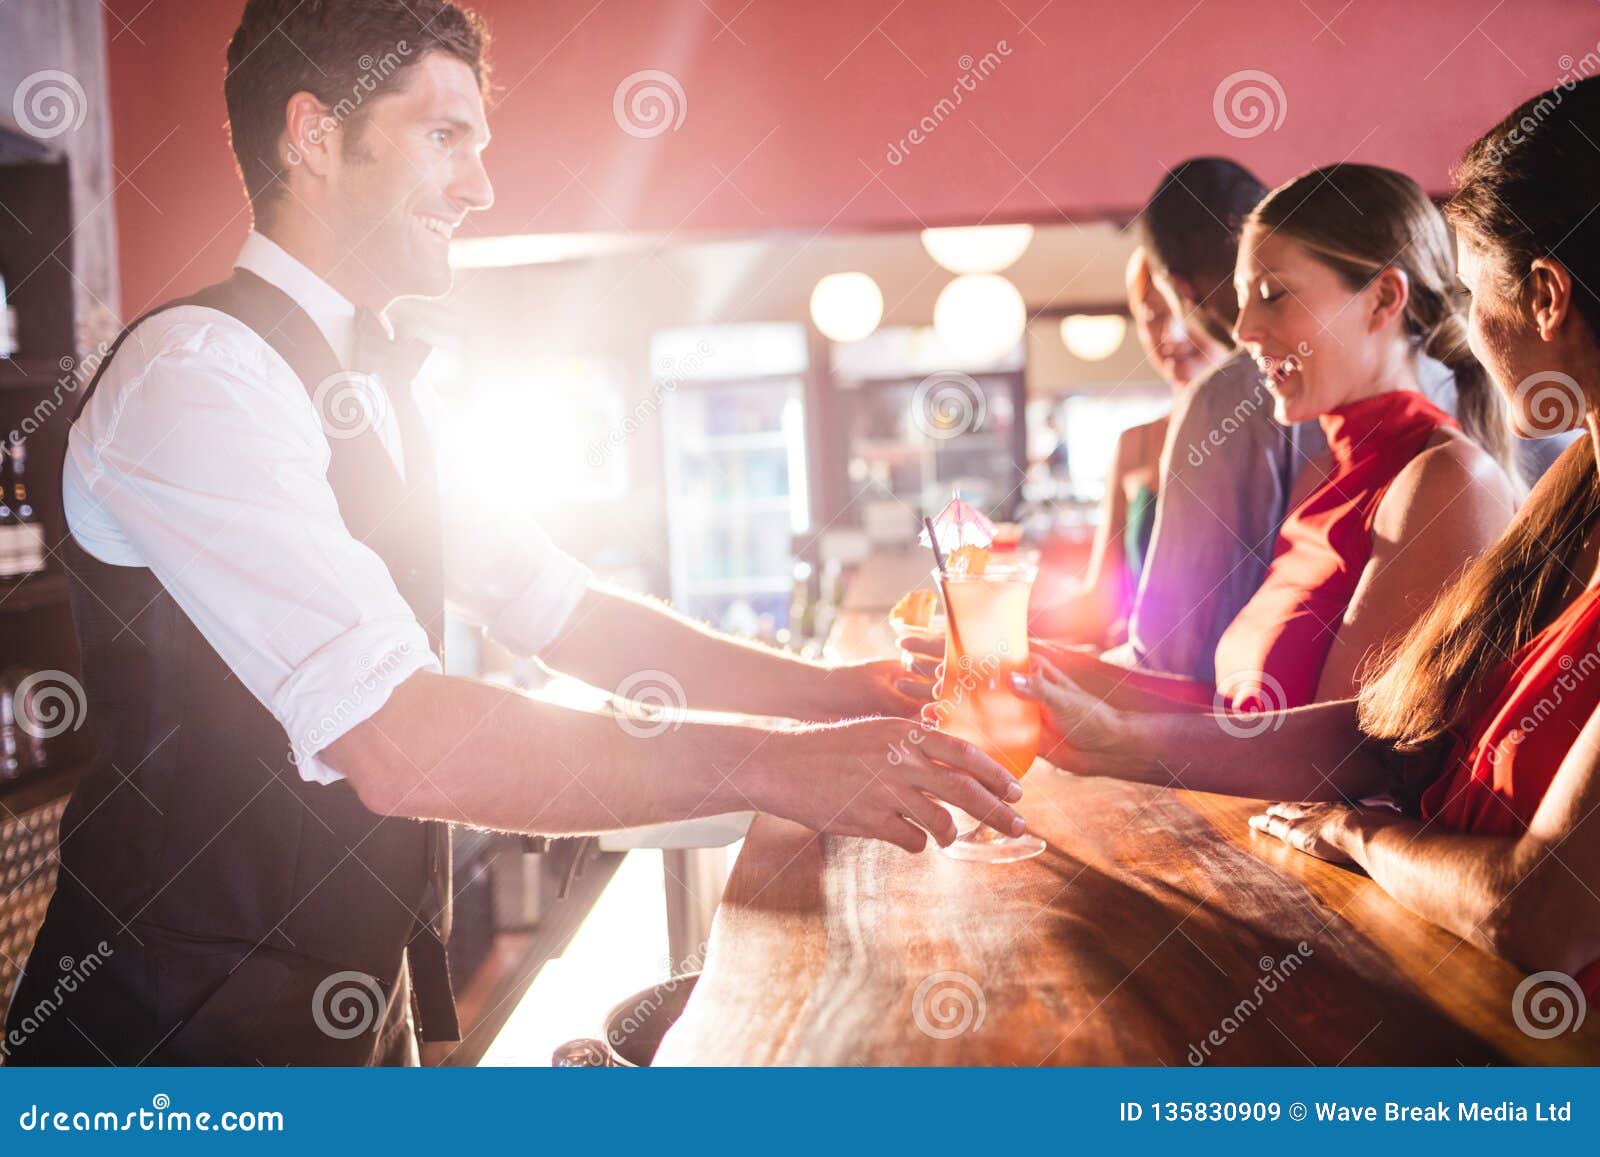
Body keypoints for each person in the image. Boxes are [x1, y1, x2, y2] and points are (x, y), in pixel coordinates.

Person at [2, 0, 1026, 1067]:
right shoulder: (198, 379)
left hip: (357, 1004)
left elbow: (564, 610)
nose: (479, 185)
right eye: (444, 135)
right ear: (313, 135)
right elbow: (396, 741)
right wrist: (779, 767)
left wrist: (836, 695)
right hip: (171, 1039)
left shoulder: (383, 387)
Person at [1018, 77, 1600, 996]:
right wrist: (1111, 731)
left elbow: (1530, 910)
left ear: (1546, 296)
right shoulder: (1568, 500)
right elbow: (1393, 738)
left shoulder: (1448, 479)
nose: (1240, 329)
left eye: (1476, 282)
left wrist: (1355, 835)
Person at [1029, 164, 1516, 714]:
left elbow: (1341, 753)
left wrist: (1102, 732)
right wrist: (1017, 666)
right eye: (1242, 297)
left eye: (1273, 294)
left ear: (1382, 300)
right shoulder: (1322, 472)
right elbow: (1225, 711)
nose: (1243, 329)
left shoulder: (1448, 479)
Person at [1035, 247, 1227, 647]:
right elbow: (1100, 603)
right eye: (1153, 316)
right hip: (1139, 679)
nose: (1171, 333)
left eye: (1184, 309)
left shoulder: (1276, 433)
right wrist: (993, 628)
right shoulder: (1134, 443)